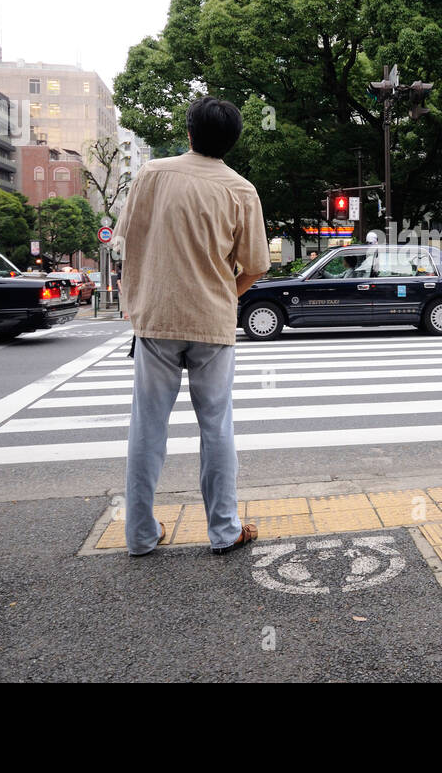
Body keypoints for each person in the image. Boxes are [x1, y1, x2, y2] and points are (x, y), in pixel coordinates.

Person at [114, 96, 269, 556]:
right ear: (233, 142)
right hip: (212, 323)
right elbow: (255, 266)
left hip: (156, 319)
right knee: (217, 426)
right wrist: (223, 295)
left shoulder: (151, 175)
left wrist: (139, 295)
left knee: (147, 427)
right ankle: (224, 531)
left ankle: (140, 535)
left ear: (188, 134)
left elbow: (128, 240)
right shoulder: (241, 189)